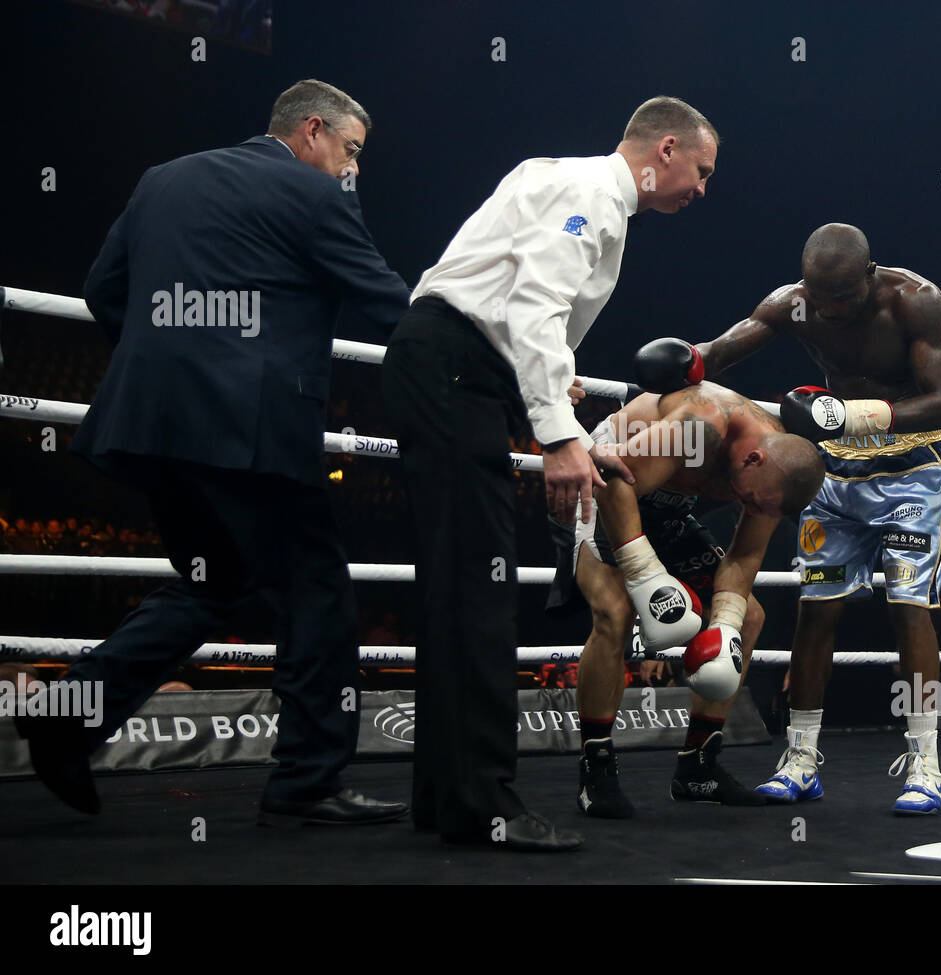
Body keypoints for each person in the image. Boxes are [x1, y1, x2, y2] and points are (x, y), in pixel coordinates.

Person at [15, 80, 411, 826]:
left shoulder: (165, 177)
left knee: (214, 582)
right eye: (351, 153)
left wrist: (169, 365)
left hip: (152, 426)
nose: (352, 168)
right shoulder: (319, 195)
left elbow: (104, 291)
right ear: (313, 131)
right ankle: (306, 781)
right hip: (249, 433)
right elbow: (389, 304)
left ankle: (68, 713)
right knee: (319, 593)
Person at [382, 96, 718, 852]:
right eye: (701, 170)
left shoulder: (565, 176)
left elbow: (516, 301)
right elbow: (533, 304)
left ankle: (445, 796)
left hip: (446, 369)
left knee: (452, 588)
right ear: (666, 149)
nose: (703, 189)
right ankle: (486, 804)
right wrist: (560, 434)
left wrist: (548, 388)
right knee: (478, 591)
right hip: (452, 372)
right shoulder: (594, 194)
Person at [657, 223, 941, 814]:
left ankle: (925, 763)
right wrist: (688, 361)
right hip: (834, 478)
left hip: (911, 473)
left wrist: (848, 416)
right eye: (820, 301)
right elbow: (732, 344)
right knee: (816, 612)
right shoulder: (793, 304)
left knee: (909, 611)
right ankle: (800, 759)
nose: (831, 312)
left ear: (870, 278)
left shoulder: (916, 301)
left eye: (842, 300)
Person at [545, 376, 825, 817]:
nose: (752, 509)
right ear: (752, 458)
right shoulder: (701, 425)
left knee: (747, 618)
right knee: (615, 612)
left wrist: (725, 624)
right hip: (610, 483)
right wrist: (646, 576)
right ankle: (596, 768)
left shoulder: (776, 475)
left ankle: (698, 768)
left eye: (761, 507)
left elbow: (746, 552)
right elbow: (615, 482)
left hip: (668, 506)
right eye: (751, 500)